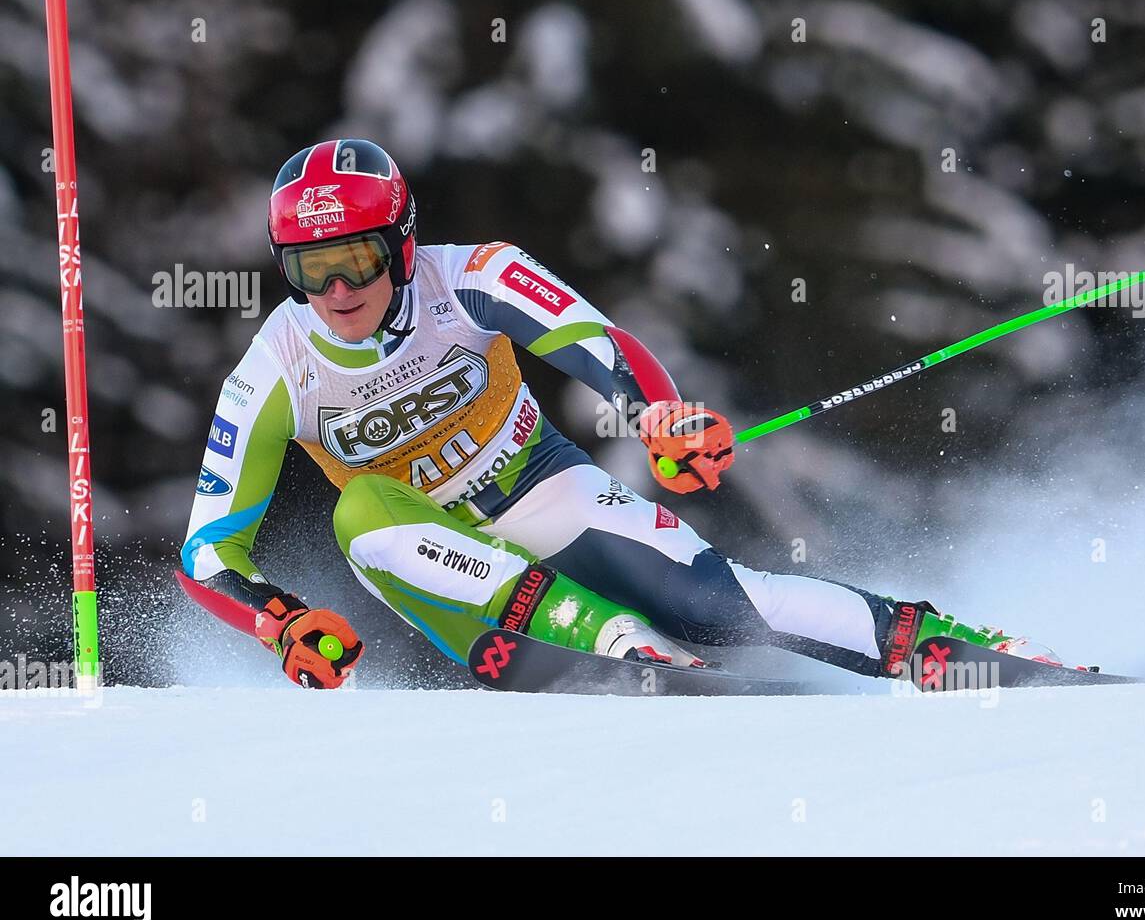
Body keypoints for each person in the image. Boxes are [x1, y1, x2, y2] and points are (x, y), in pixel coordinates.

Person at [181, 138, 1048, 689]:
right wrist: (281, 621)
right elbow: (206, 551)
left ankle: (943, 648)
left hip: (542, 490)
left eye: (358, 261)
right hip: (442, 569)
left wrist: (657, 417)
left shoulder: (471, 275)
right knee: (359, 510)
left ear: (401, 245)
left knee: (715, 603)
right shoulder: (274, 372)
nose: (337, 292)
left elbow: (593, 341)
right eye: (309, 270)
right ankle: (622, 648)